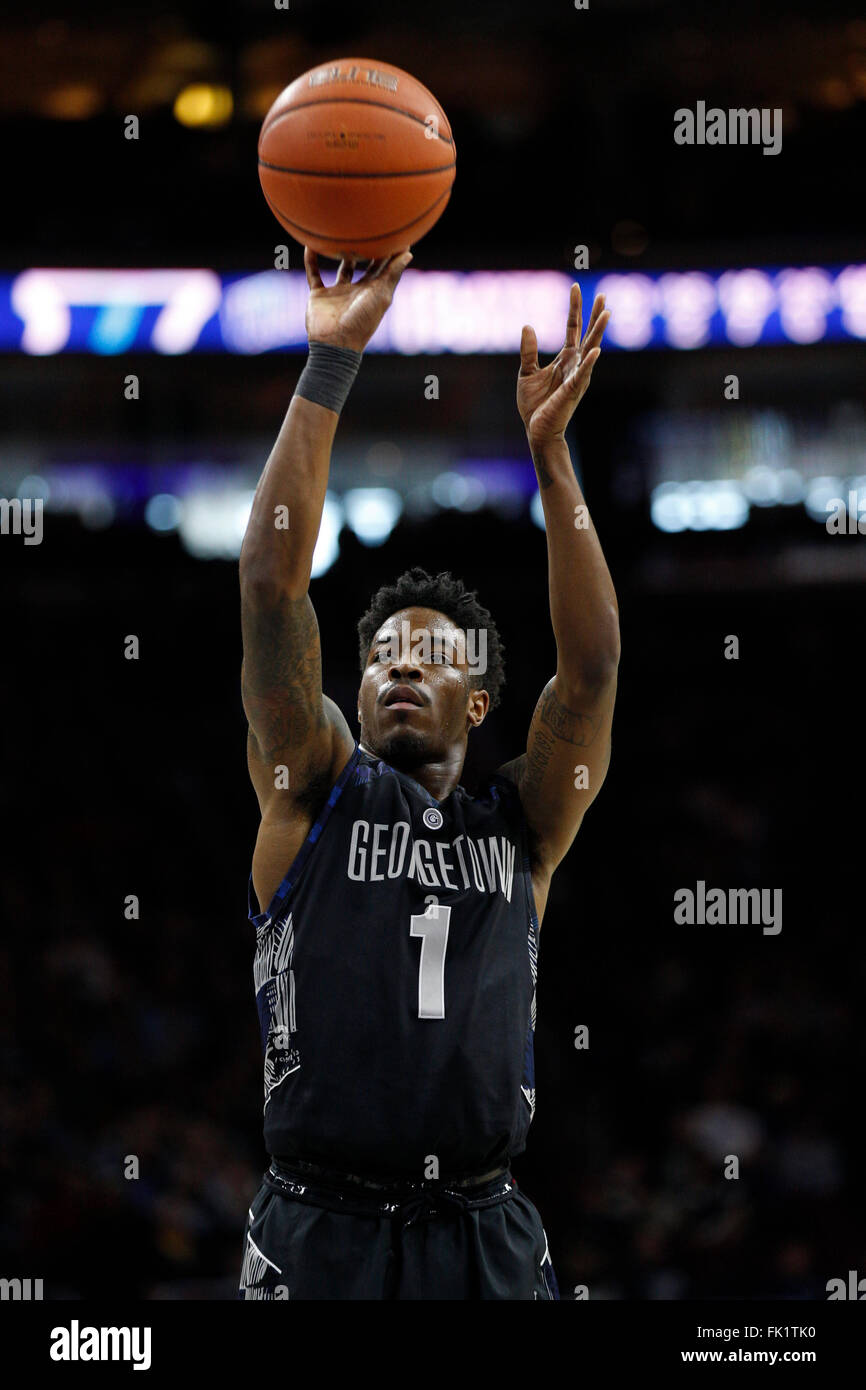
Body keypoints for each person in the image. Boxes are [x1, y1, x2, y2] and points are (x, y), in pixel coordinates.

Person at [237, 247, 619, 1299]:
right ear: (354, 699)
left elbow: (589, 669)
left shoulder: (526, 825)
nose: (401, 660)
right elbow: (272, 589)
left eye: (433, 652)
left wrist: (551, 460)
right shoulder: (311, 791)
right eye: (378, 656)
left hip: (483, 1228)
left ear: (479, 700)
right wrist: (328, 362)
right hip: (322, 1228)